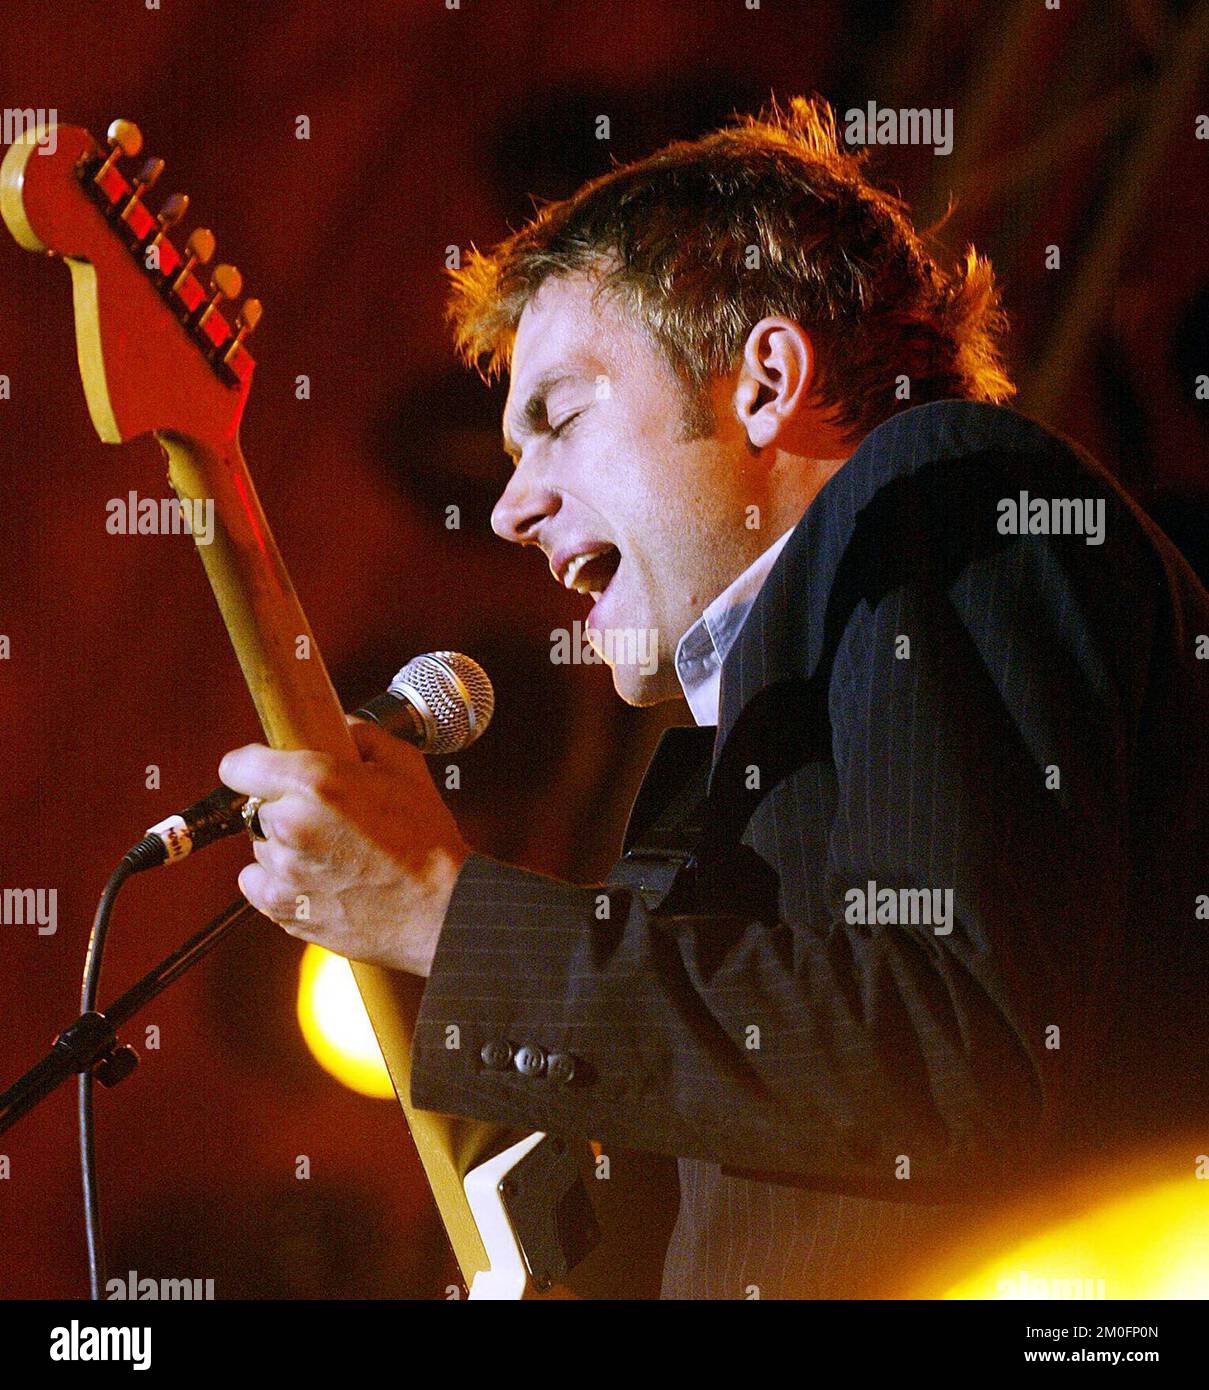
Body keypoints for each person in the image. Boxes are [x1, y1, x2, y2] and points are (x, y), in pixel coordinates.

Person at [219, 97, 1209, 1298]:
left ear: (765, 379)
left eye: (561, 419)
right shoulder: (722, 771)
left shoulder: (935, 490)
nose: (509, 506)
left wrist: (446, 913)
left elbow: (955, 1052)